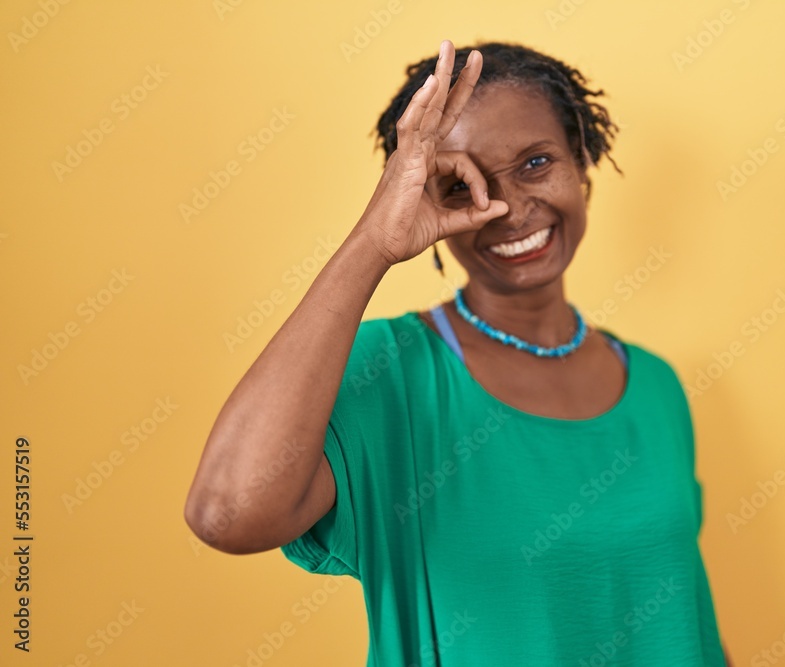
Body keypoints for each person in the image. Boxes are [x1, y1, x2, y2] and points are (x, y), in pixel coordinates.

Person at [185, 39, 732, 666]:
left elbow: (689, 621)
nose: (507, 210)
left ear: (581, 161)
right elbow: (227, 513)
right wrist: (374, 242)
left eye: (535, 163)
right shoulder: (388, 372)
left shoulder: (656, 386)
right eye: (459, 185)